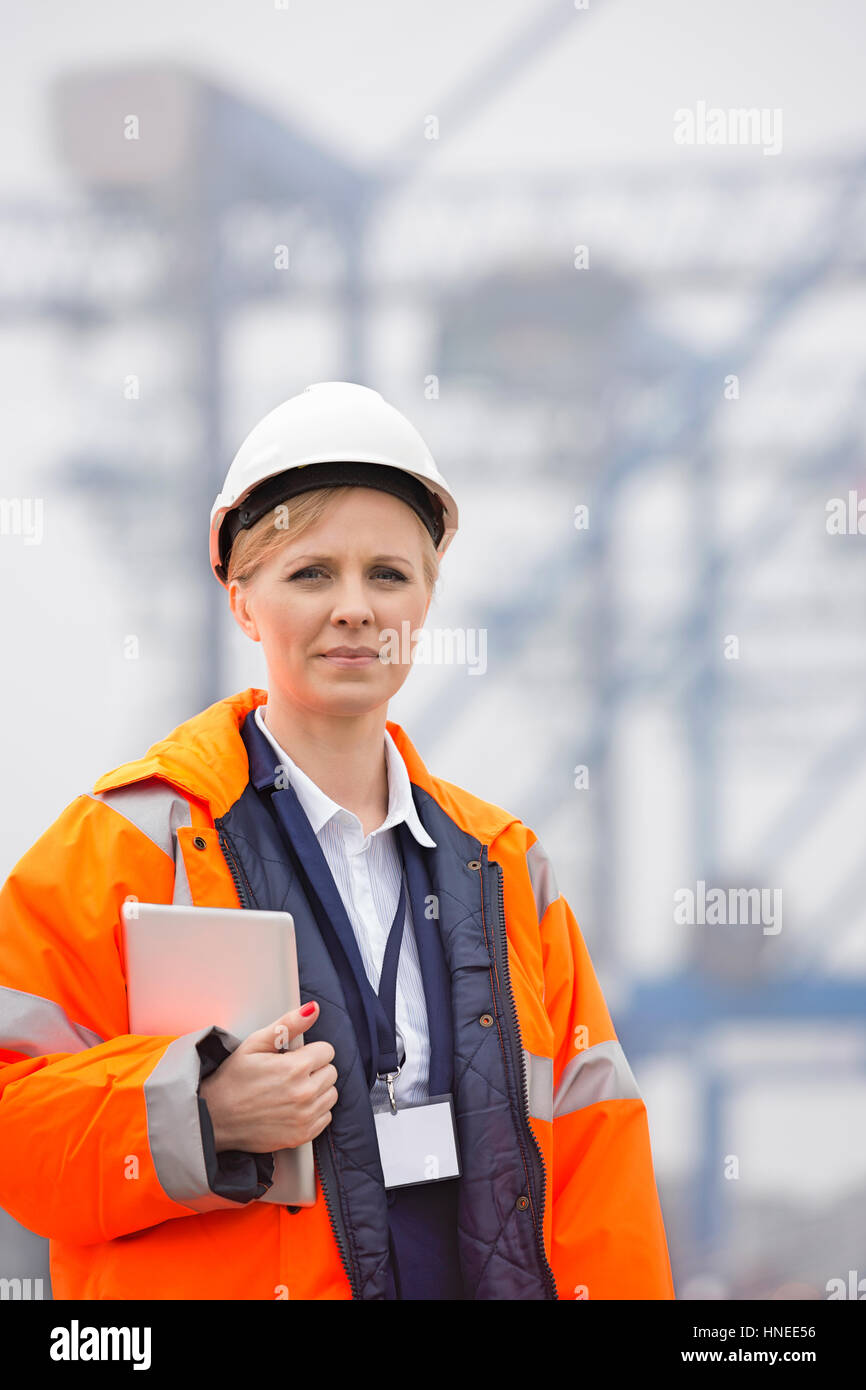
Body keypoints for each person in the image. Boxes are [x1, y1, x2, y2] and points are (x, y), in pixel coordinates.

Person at [0, 382, 675, 1300]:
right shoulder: (121, 847)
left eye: (388, 574)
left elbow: (601, 1169)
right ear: (242, 600)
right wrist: (196, 1113)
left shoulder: (509, 866)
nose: (355, 608)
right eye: (311, 573)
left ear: (427, 602)